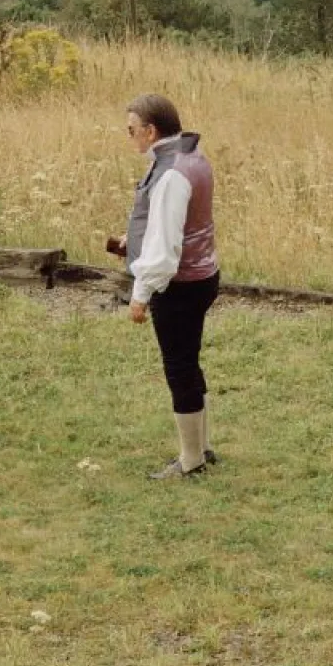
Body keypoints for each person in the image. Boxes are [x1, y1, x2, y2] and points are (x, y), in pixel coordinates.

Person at [105, 94, 221, 480]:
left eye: (132, 130)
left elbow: (166, 248)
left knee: (179, 367)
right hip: (202, 276)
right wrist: (132, 238)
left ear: (151, 130)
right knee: (189, 362)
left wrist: (140, 294)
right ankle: (201, 448)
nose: (130, 137)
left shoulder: (171, 173)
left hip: (180, 285)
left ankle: (191, 462)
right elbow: (174, 224)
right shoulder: (192, 157)